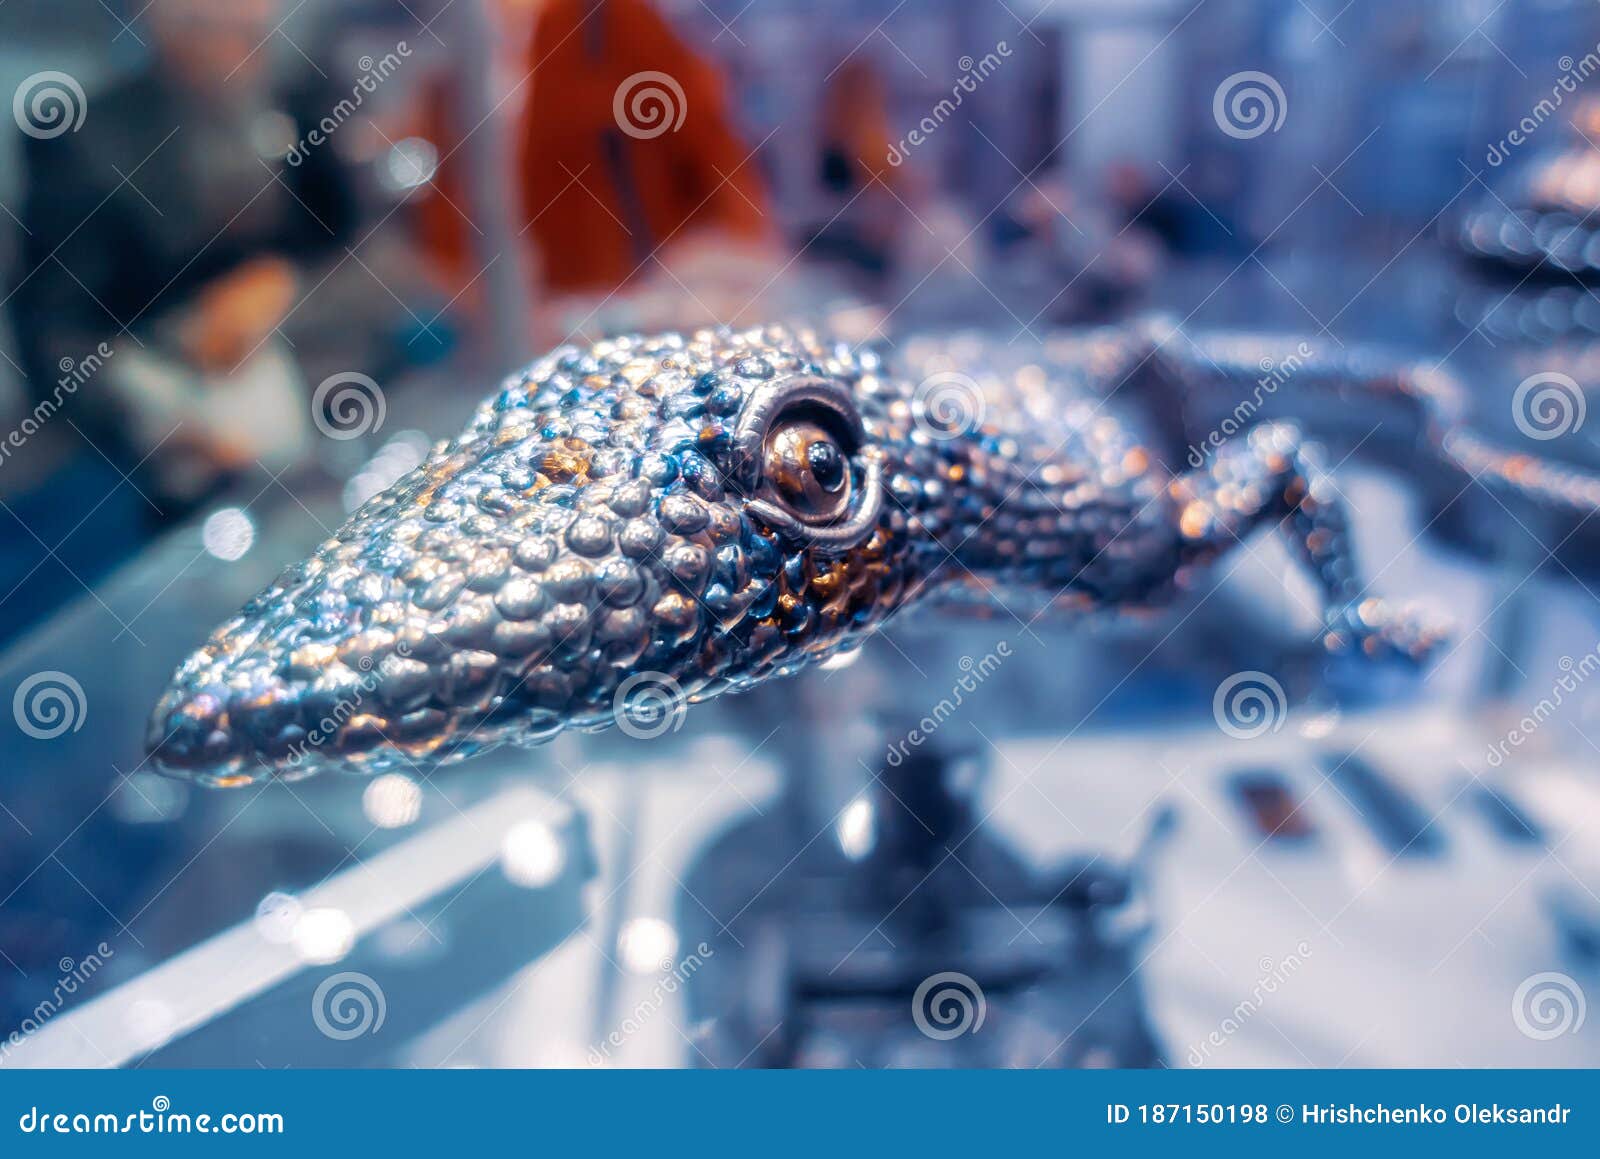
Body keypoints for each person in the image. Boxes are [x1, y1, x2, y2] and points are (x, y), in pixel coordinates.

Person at [1, 0, 361, 640]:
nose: (242, 47)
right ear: (160, 21)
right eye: (217, 28)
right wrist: (166, 421)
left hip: (335, 415)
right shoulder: (88, 139)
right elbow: (53, 336)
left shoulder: (299, 93)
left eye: (254, 29)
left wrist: (284, 288)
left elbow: (372, 247)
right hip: (184, 464)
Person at [514, 0, 772, 297]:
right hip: (608, 271)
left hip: (662, 265)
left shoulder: (637, 23)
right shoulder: (566, 25)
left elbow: (709, 145)